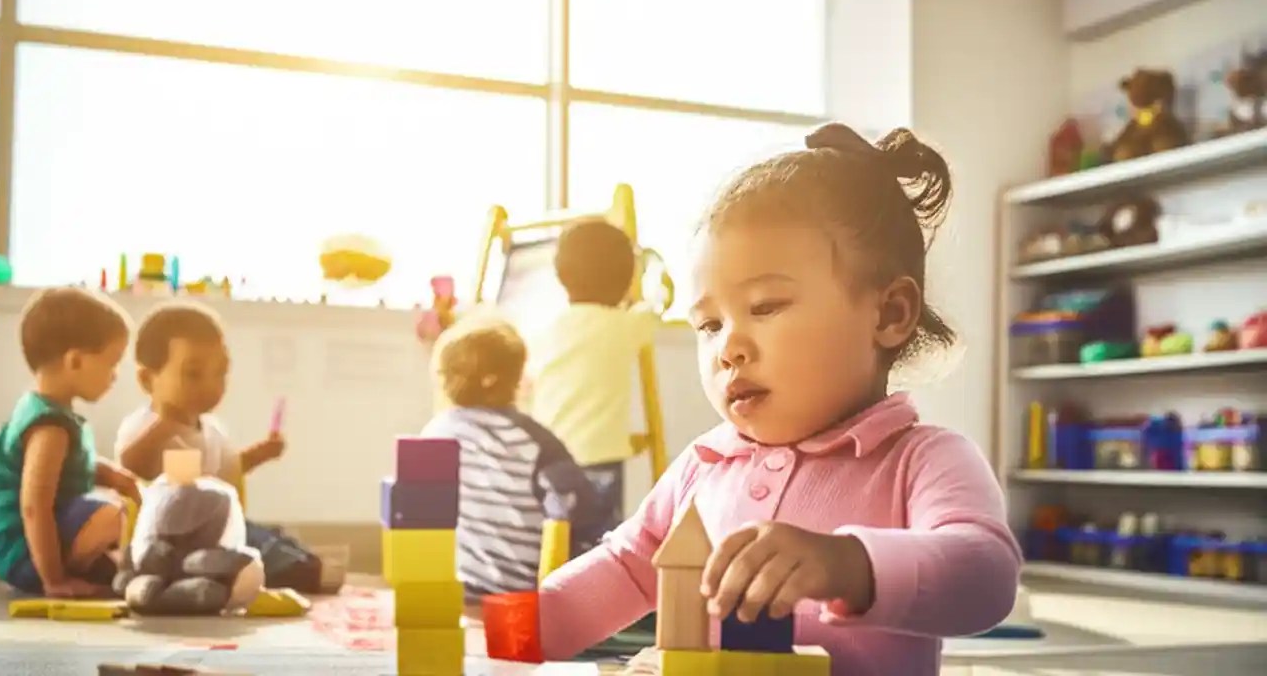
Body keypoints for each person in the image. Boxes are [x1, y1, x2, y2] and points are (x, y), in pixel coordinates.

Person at [537, 124, 1021, 675]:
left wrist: (847, 564)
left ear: (888, 314)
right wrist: (524, 624)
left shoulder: (921, 460)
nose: (729, 348)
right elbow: (627, 566)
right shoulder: (704, 466)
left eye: (765, 307)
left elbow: (986, 575)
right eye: (710, 324)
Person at [114, 301, 323, 592]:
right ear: (148, 379)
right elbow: (132, 465)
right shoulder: (146, 426)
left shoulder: (212, 430)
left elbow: (223, 475)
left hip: (219, 524)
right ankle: (288, 571)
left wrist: (259, 454)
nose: (211, 386)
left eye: (220, 373)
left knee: (280, 539)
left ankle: (297, 564)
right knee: (277, 556)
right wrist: (165, 426)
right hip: (177, 538)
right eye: (194, 374)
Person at [423, 315, 611, 602]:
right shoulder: (537, 443)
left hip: (460, 587)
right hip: (523, 595)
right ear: (513, 377)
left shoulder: (435, 432)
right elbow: (578, 510)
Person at [0, 287, 141, 596]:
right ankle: (58, 573)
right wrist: (54, 580)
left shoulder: (48, 413)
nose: (114, 376)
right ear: (75, 362)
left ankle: (91, 567)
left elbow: (68, 466)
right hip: (25, 553)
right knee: (113, 513)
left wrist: (108, 473)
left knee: (116, 561)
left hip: (35, 544)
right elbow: (34, 506)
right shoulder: (50, 428)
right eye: (111, 363)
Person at [527, 218, 662, 528]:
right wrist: (651, 268)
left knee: (555, 537)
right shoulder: (624, 326)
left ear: (562, 276)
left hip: (549, 456)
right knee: (597, 542)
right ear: (627, 280)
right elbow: (656, 306)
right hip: (600, 458)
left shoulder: (547, 328)